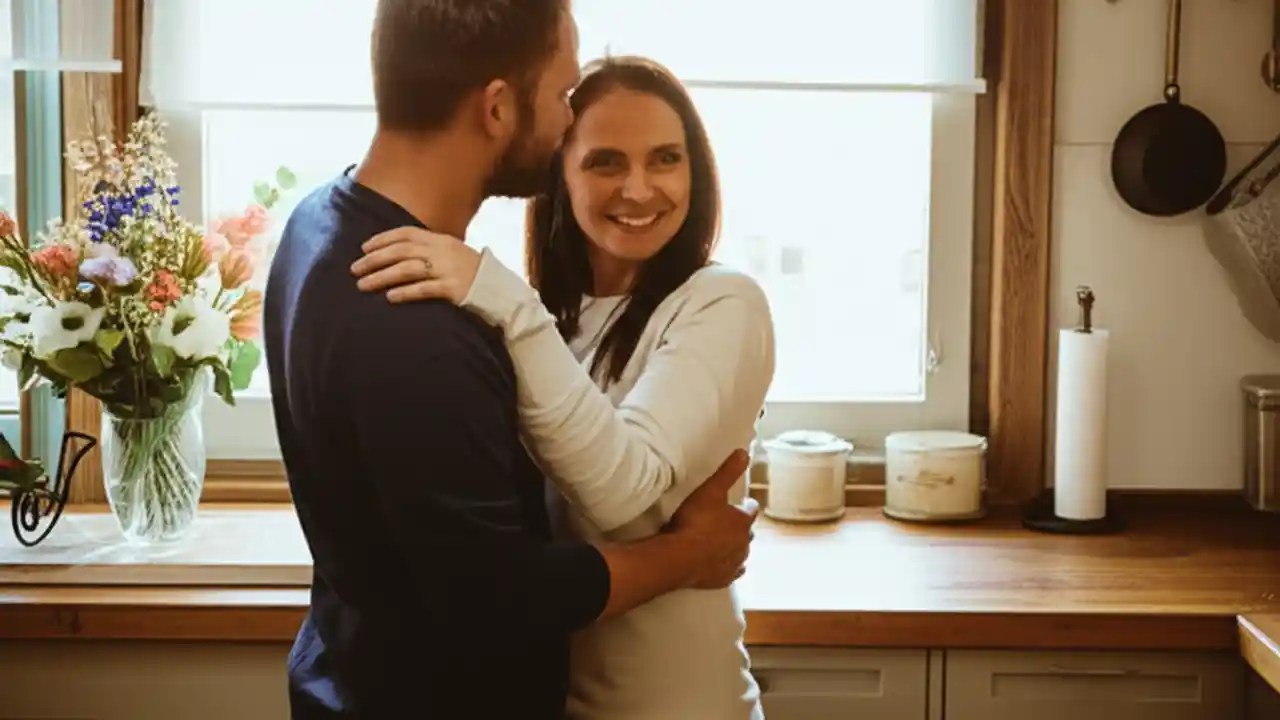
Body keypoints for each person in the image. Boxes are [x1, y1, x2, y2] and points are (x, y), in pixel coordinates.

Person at [263, 2, 760, 718]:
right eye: (562, 97)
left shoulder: (317, 223)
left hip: (353, 675)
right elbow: (504, 598)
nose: (565, 120)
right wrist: (689, 555)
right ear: (498, 107)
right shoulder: (419, 317)